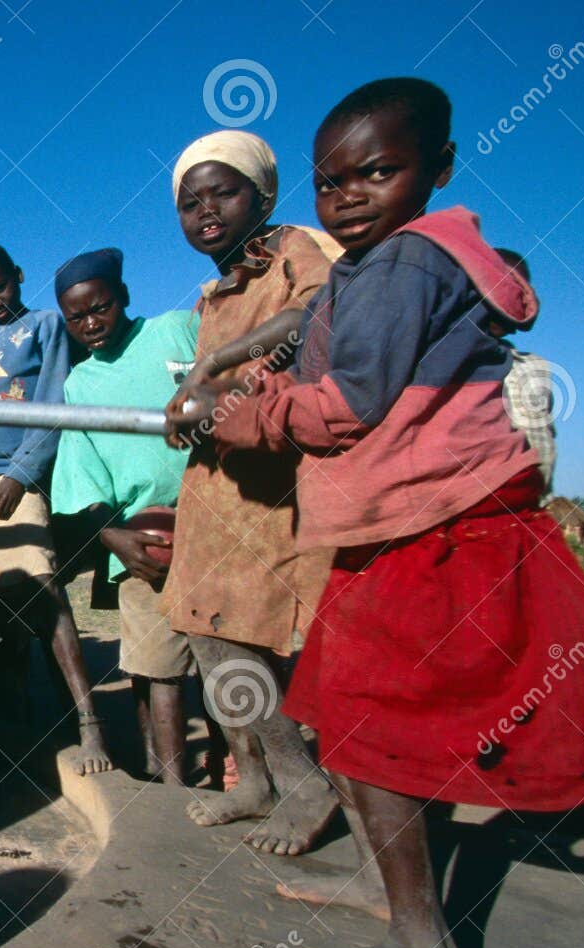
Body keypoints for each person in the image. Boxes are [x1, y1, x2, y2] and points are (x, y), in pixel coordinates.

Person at [169, 78, 584, 948]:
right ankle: (380, 883)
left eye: (377, 172)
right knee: (352, 717)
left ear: (437, 169)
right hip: (409, 527)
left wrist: (234, 415)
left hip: (440, 530)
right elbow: (306, 323)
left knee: (367, 729)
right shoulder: (370, 269)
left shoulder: (403, 265)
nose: (348, 195)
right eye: (330, 182)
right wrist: (225, 365)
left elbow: (346, 404)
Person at [157, 129, 342, 854]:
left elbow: (310, 318)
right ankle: (257, 779)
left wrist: (210, 373)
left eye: (223, 192)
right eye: (188, 201)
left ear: (262, 195)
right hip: (216, 487)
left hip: (276, 484)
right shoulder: (213, 292)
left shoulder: (297, 248)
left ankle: (306, 783)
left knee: (256, 637)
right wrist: (194, 409)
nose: (205, 210)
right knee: (205, 630)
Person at [0, 242, 109, 773]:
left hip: (9, 474)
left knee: (44, 594)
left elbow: (53, 402)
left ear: (19, 276)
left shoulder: (46, 326)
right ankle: (17, 729)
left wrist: (21, 472)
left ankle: (89, 723)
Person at [49, 249, 197, 782]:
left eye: (101, 307)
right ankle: (171, 781)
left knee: (230, 657)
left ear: (124, 296)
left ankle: (242, 766)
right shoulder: (79, 385)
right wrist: (114, 538)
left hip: (216, 522)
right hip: (141, 538)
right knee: (156, 666)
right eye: (76, 317)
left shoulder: (176, 331)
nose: (90, 323)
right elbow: (81, 476)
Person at [490, 249, 557, 497]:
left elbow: (543, 436)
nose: (500, 303)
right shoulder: (436, 360)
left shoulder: (534, 367)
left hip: (530, 503)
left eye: (516, 292)